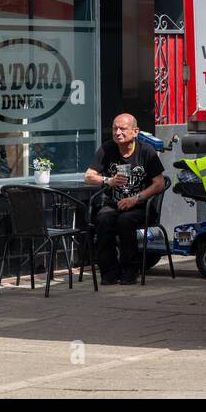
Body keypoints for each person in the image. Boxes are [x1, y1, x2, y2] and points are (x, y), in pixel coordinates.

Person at [84, 113, 165, 285]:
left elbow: (159, 183)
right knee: (103, 218)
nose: (117, 132)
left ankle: (130, 270)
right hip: (115, 203)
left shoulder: (146, 151)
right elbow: (88, 177)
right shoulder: (107, 149)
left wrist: (136, 199)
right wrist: (108, 181)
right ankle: (109, 272)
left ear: (135, 132)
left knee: (125, 220)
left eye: (122, 129)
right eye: (115, 128)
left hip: (140, 206)